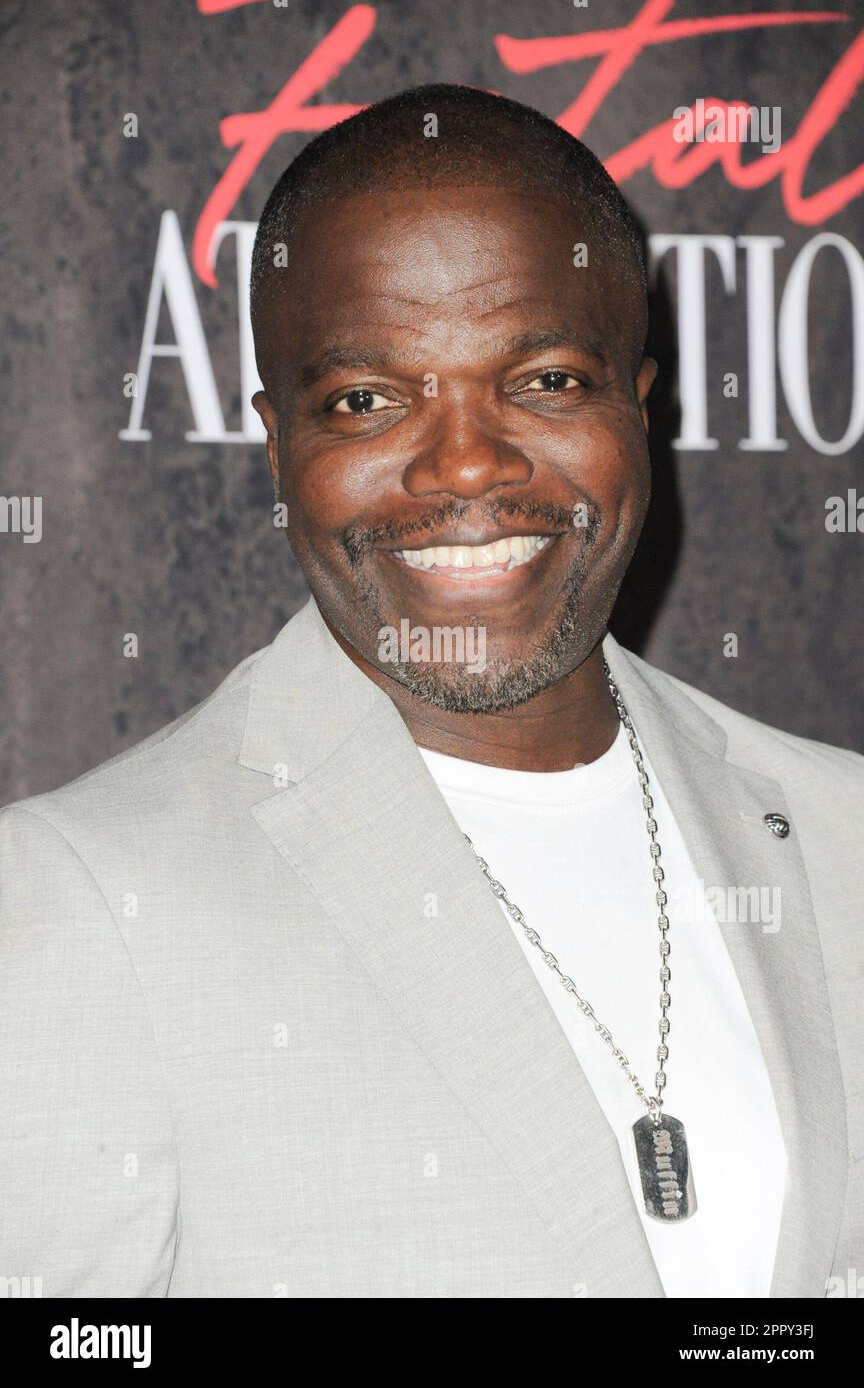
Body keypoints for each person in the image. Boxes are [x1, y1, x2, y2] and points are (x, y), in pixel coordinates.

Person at [1, 84, 861, 1300]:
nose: (466, 462)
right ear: (276, 445)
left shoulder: (844, 835)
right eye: (367, 398)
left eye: (549, 380)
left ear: (641, 407)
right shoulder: (88, 899)